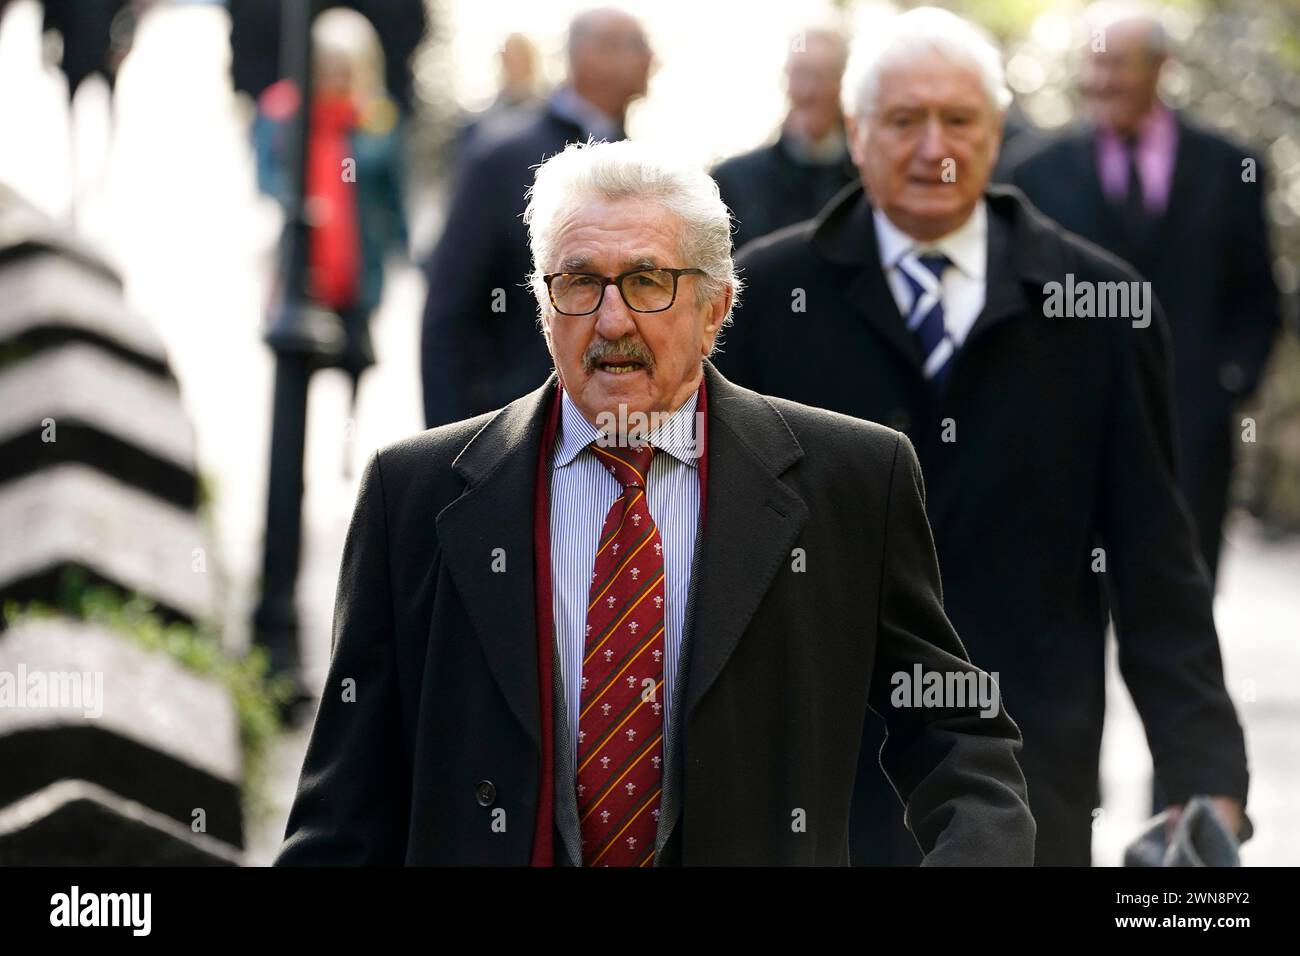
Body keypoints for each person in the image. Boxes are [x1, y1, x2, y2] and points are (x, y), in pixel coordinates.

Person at [276, 139, 1036, 866]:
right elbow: (342, 819)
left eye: (647, 281)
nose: (611, 321)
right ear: (544, 307)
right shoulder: (413, 495)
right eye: (578, 282)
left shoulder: (853, 482)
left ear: (715, 309)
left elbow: (957, 735)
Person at [713, 7, 1250, 866]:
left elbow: (1156, 556)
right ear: (856, 134)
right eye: (903, 120)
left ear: (997, 134)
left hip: (1030, 769)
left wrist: (1202, 768)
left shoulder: (1101, 306)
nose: (935, 147)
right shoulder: (763, 299)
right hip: (822, 778)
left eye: (959, 119)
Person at [1004, 3, 1281, 583]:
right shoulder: (1033, 173)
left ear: (1161, 66)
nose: (1101, 80)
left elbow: (1258, 294)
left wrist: (1228, 379)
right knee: (1072, 606)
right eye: (1094, 63)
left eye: (1118, 64)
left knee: (1185, 597)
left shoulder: (1232, 168)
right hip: (1070, 426)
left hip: (1192, 426)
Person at [419, 7, 652, 429]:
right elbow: (449, 312)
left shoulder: (644, 166)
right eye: (638, 47)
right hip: (511, 430)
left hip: (616, 432)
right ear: (592, 57)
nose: (651, 59)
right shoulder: (500, 158)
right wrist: (450, 450)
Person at [253, 7, 409, 420]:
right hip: (302, 259)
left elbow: (392, 187)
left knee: (354, 355)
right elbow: (265, 173)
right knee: (297, 357)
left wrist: (403, 245)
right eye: (328, 68)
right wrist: (299, 205)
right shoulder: (284, 111)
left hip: (358, 259)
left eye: (345, 70)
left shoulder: (376, 118)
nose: (336, 79)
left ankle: (347, 432)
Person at [711, 19, 857, 251]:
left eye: (821, 76)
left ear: (843, 84)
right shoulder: (734, 180)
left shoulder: (868, 182)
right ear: (785, 80)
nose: (808, 91)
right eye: (799, 75)